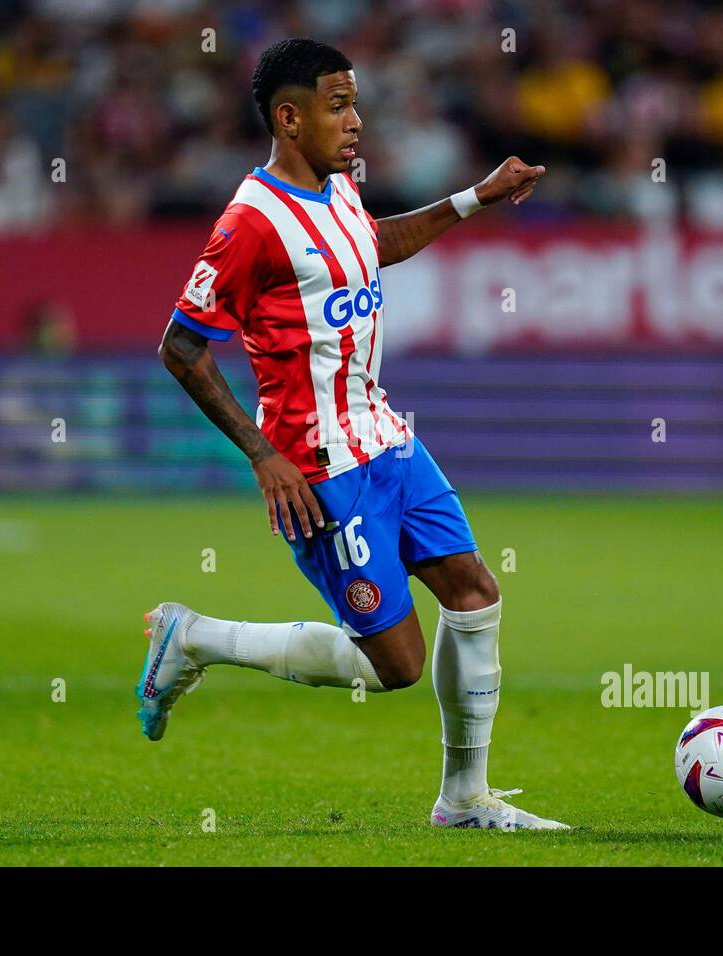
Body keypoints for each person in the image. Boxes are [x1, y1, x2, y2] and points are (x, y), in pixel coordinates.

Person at [140, 38, 563, 830]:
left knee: (475, 594)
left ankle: (465, 799)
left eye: (355, 102)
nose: (356, 120)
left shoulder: (338, 193)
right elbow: (181, 346)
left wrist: (475, 197)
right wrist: (264, 456)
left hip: (388, 439)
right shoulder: (250, 224)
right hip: (321, 468)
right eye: (339, 105)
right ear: (289, 117)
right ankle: (192, 638)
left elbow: (375, 245)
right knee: (395, 665)